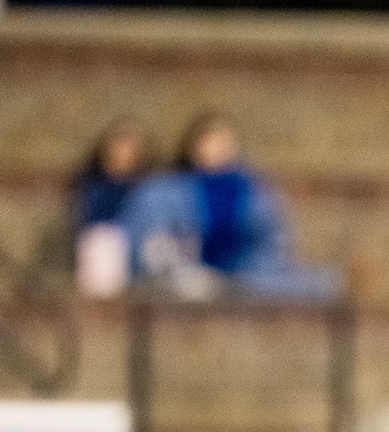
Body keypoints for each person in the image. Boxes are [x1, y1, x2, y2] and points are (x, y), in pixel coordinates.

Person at [120, 113, 340, 300]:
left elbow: (275, 245)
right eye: (210, 142)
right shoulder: (164, 192)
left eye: (223, 142)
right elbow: (144, 244)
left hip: (248, 279)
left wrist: (243, 275)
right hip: (184, 281)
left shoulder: (256, 193)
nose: (217, 150)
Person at [70, 118, 149, 298]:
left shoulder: (149, 188)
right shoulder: (91, 187)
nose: (124, 151)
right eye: (119, 143)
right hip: (100, 265)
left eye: (130, 146)